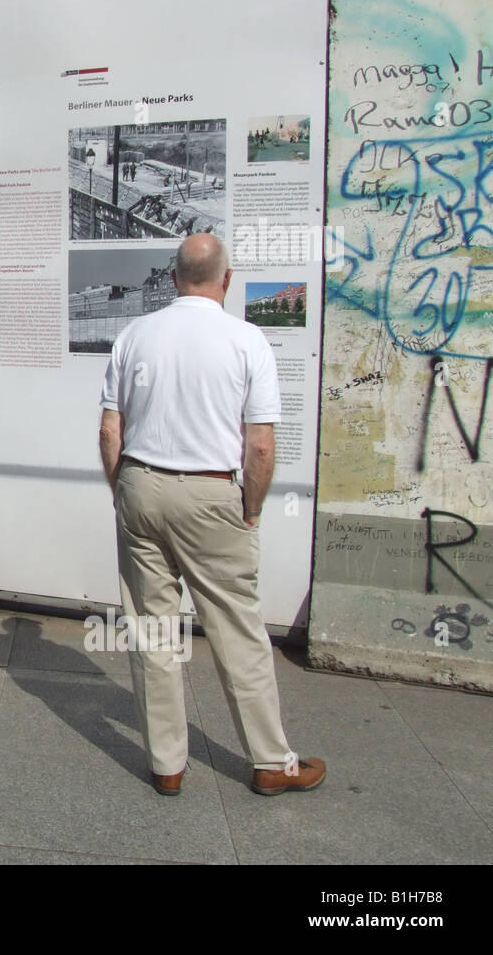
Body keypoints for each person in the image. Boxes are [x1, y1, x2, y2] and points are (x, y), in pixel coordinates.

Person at [97, 234, 324, 797]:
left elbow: (109, 431)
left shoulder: (134, 335)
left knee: (152, 631)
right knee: (238, 631)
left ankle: (166, 764)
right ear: (226, 280)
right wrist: (250, 510)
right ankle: (272, 761)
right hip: (212, 494)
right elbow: (261, 446)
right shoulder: (247, 341)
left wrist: (122, 490)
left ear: (174, 278)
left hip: (141, 488)